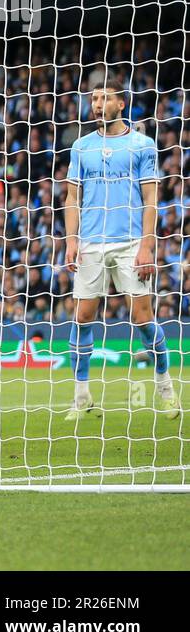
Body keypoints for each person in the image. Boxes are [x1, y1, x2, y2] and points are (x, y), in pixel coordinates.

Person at [64, 75, 179, 420]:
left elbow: (150, 199)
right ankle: (81, 397)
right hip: (91, 243)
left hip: (130, 243)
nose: (98, 104)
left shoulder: (142, 145)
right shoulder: (81, 146)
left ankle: (164, 387)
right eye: (94, 98)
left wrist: (147, 246)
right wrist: (71, 239)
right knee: (82, 316)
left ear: (121, 103)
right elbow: (72, 196)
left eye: (105, 98)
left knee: (142, 317)